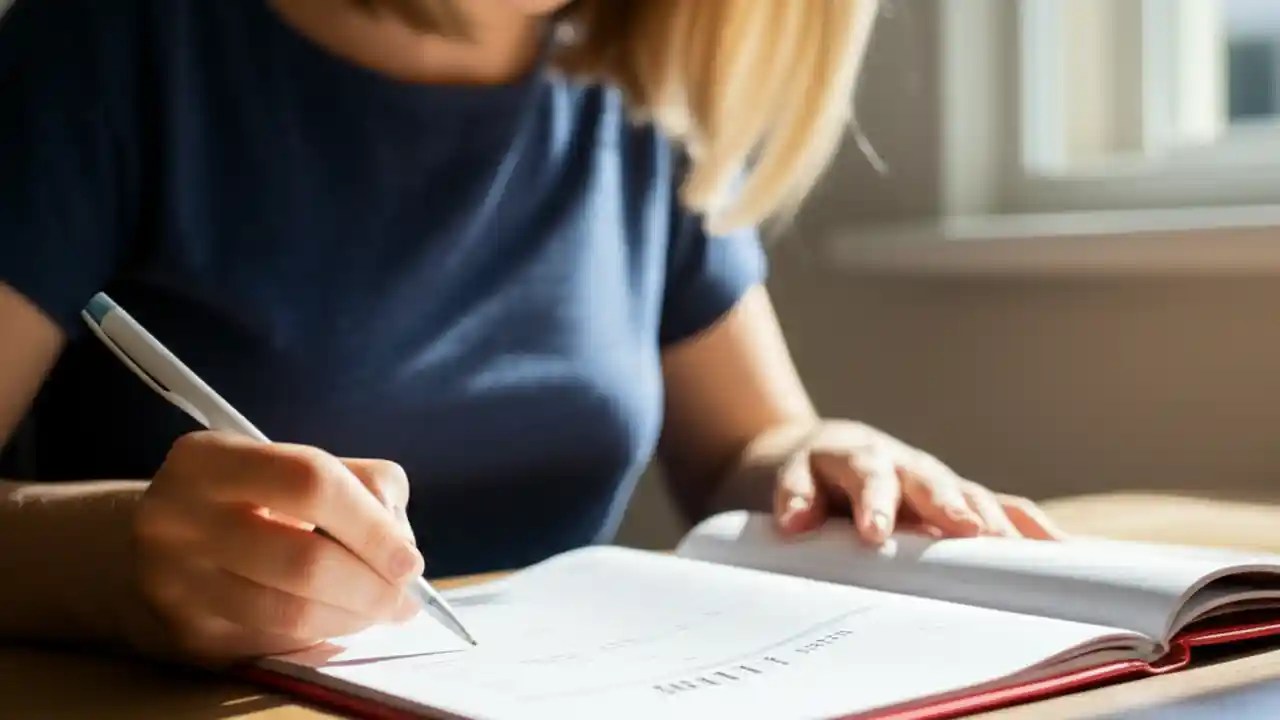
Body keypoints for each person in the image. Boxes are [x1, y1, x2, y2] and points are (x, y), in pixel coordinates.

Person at [0, 0, 1063, 665]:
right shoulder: (114, 39)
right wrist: (113, 565)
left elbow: (744, 450)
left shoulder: (644, 78)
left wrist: (822, 459)